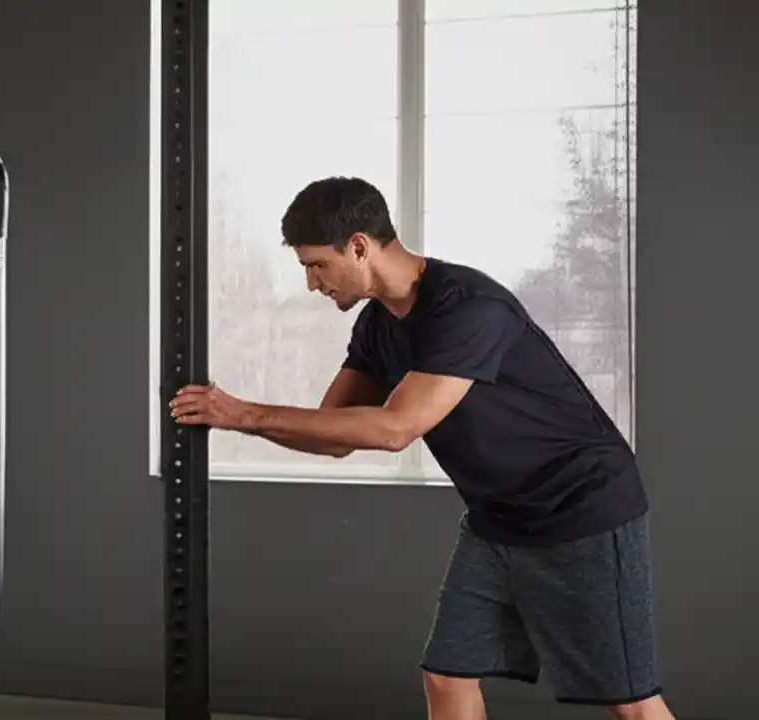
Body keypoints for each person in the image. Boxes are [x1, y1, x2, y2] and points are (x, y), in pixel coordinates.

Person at [168, 176, 674, 720]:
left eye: (317, 265)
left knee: (632, 705)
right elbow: (335, 432)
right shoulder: (376, 326)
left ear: (359, 246)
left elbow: (395, 428)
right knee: (447, 674)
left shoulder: (467, 306)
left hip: (584, 509)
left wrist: (242, 412)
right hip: (500, 520)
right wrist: (235, 420)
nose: (313, 284)